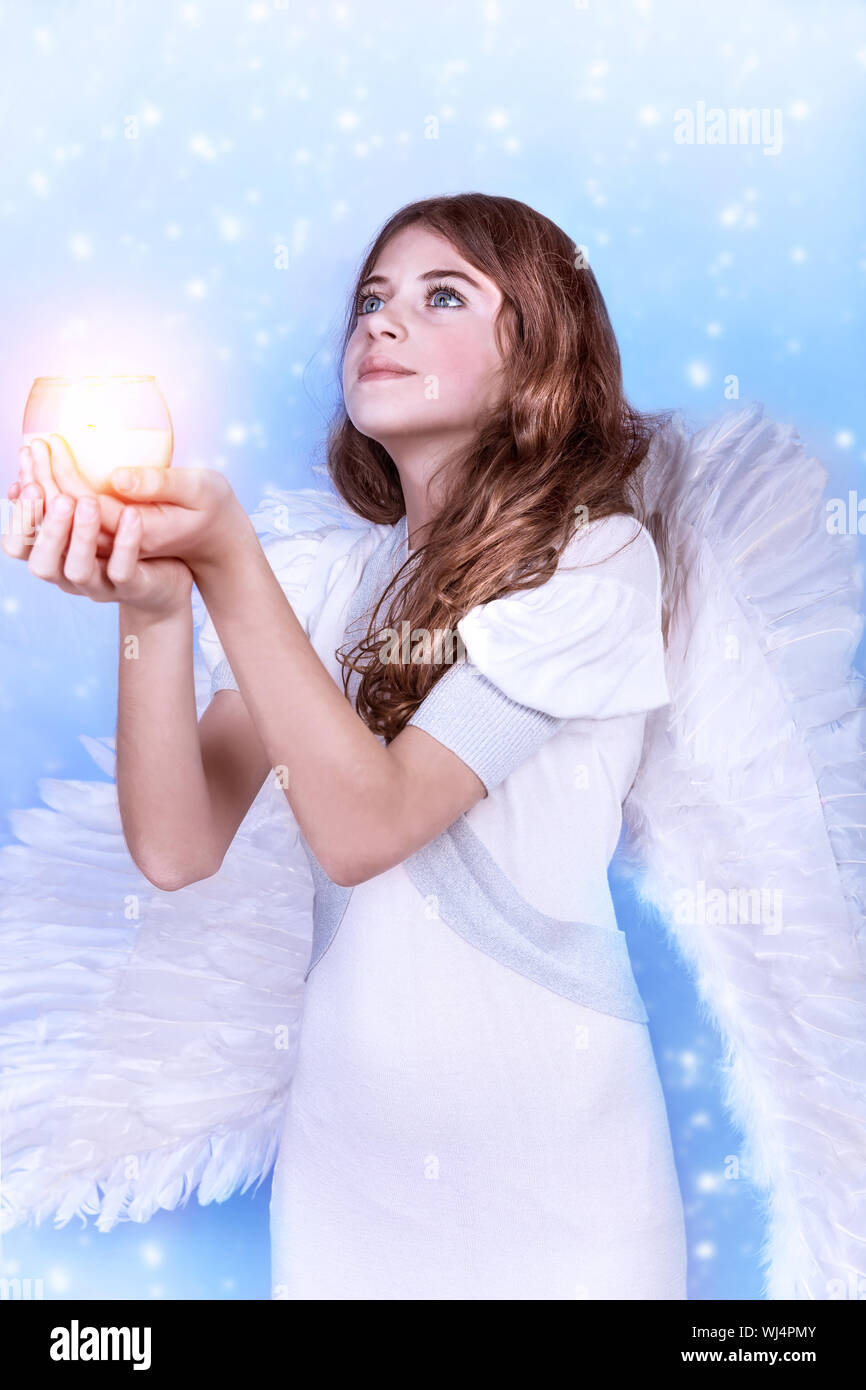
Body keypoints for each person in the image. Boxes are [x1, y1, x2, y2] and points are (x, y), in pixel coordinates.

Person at [3, 194, 863, 1302]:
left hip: (561, 1190)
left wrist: (225, 556)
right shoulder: (322, 582)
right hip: (342, 1182)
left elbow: (367, 825)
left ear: (538, 354)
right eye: (371, 299)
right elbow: (176, 845)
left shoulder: (595, 567)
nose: (383, 320)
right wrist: (156, 605)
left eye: (441, 295)